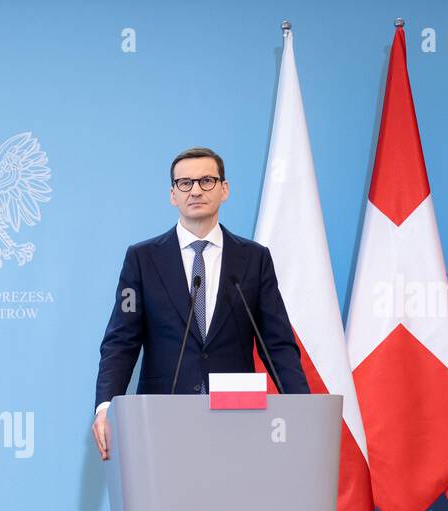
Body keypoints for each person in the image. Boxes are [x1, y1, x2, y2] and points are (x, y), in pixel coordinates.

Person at [92, 147, 308, 459]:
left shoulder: (254, 259)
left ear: (225, 189)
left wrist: (301, 406)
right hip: (162, 417)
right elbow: (120, 342)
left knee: (235, 505)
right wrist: (106, 407)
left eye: (207, 181)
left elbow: (277, 343)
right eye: (185, 183)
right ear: (172, 195)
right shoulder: (142, 259)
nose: (195, 190)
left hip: (238, 418)